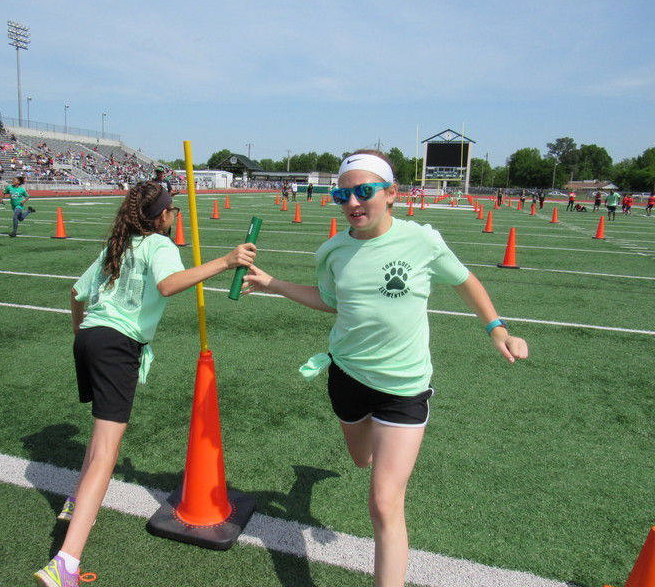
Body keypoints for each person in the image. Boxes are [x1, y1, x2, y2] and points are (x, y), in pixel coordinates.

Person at [242, 150, 528, 587]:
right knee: (361, 459)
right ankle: (347, 464)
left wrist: (497, 329)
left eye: (364, 191)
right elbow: (330, 301)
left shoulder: (423, 241)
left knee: (383, 503)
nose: (353, 203)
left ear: (391, 193)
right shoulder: (333, 252)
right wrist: (272, 284)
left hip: (404, 389)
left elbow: (465, 281)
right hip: (347, 377)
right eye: (343, 195)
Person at [34, 181, 257, 587]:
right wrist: (226, 261)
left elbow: (76, 292)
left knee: (100, 435)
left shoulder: (118, 244)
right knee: (107, 451)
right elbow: (168, 284)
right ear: (163, 215)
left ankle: (75, 502)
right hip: (116, 346)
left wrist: (80, 333)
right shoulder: (159, 245)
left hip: (90, 339)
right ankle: (65, 562)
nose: (174, 216)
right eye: (173, 210)